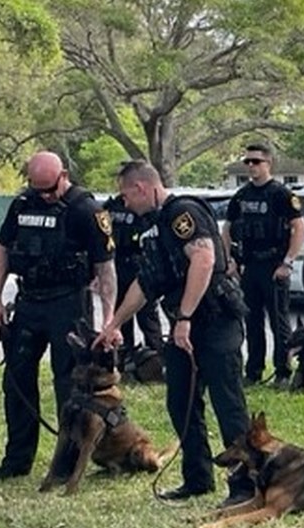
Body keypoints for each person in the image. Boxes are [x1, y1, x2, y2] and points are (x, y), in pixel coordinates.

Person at [96, 160, 254, 505]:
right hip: (184, 327)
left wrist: (184, 318)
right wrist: (114, 323)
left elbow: (204, 259)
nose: (124, 204)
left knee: (228, 405)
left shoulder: (183, 212)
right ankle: (197, 478)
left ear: (141, 188)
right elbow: (145, 282)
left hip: (214, 323)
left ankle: (246, 485)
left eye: (126, 195)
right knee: (180, 401)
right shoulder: (153, 226)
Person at [0, 151, 117, 480]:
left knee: (70, 384)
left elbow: (105, 268)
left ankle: (67, 464)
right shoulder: (22, 205)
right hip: (29, 301)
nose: (43, 196)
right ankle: (16, 461)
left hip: (69, 304)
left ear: (64, 175)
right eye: (37, 189)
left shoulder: (85, 210)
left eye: (49, 189)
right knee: (16, 380)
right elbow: (2, 249)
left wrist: (108, 319)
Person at [222, 143, 304, 387]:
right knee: (252, 320)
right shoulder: (242, 195)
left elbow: (299, 229)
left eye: (256, 161)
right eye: (247, 161)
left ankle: (282, 372)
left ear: (268, 163)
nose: (250, 166)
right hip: (249, 266)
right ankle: (254, 372)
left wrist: (287, 263)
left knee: (279, 322)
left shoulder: (281, 194)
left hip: (274, 265)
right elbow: (227, 229)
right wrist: (229, 260)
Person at [104, 194, 165, 355]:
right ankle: (124, 355)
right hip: (117, 264)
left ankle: (156, 355)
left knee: (147, 313)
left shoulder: (142, 206)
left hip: (139, 262)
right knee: (122, 313)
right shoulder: (111, 206)